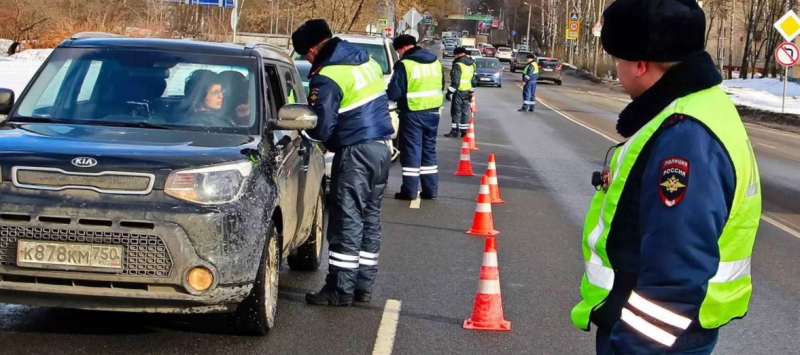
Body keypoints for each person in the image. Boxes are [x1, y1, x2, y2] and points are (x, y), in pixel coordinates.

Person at [570, 1, 761, 354]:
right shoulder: (699, 105)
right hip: (668, 333)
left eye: (619, 59)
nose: (617, 68)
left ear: (640, 65)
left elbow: (677, 270)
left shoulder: (684, 134)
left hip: (657, 339)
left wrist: (635, 347)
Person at [291, 19, 394, 307]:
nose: (307, 60)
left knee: (346, 219)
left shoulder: (328, 76)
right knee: (368, 219)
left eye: (305, 55)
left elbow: (321, 128)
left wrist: (303, 129)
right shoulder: (365, 61)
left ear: (312, 50)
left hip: (356, 152)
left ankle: (339, 288)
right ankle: (363, 285)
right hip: (381, 148)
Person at [387, 34, 445, 201]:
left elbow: (394, 93)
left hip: (413, 113)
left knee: (412, 151)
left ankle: (409, 191)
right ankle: (430, 190)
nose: (398, 54)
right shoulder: (435, 62)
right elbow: (441, 85)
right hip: (433, 112)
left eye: (398, 51)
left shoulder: (405, 64)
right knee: (429, 151)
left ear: (403, 47)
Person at [444, 47, 476, 138]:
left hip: (458, 91)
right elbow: (473, 80)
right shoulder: (472, 63)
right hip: (467, 91)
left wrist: (449, 92)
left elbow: (456, 82)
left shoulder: (458, 64)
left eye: (455, 55)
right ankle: (464, 131)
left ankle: (455, 130)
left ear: (457, 54)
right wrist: (471, 91)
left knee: (456, 111)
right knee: (465, 111)